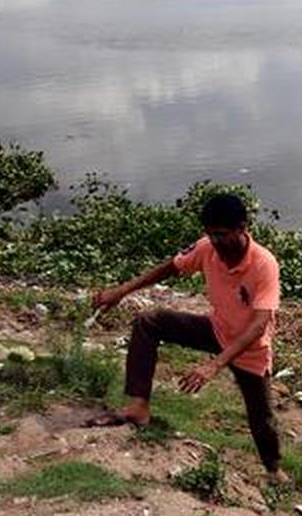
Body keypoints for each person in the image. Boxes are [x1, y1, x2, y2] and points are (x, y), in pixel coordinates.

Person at [84, 193, 288, 484]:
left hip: (248, 348)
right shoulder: (207, 249)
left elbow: (258, 326)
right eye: (210, 234)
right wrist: (122, 290)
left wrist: (213, 366)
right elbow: (170, 267)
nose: (216, 242)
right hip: (216, 329)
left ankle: (273, 470)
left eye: (222, 234)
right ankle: (138, 407)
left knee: (262, 417)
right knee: (149, 322)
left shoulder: (263, 264)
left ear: (242, 228)